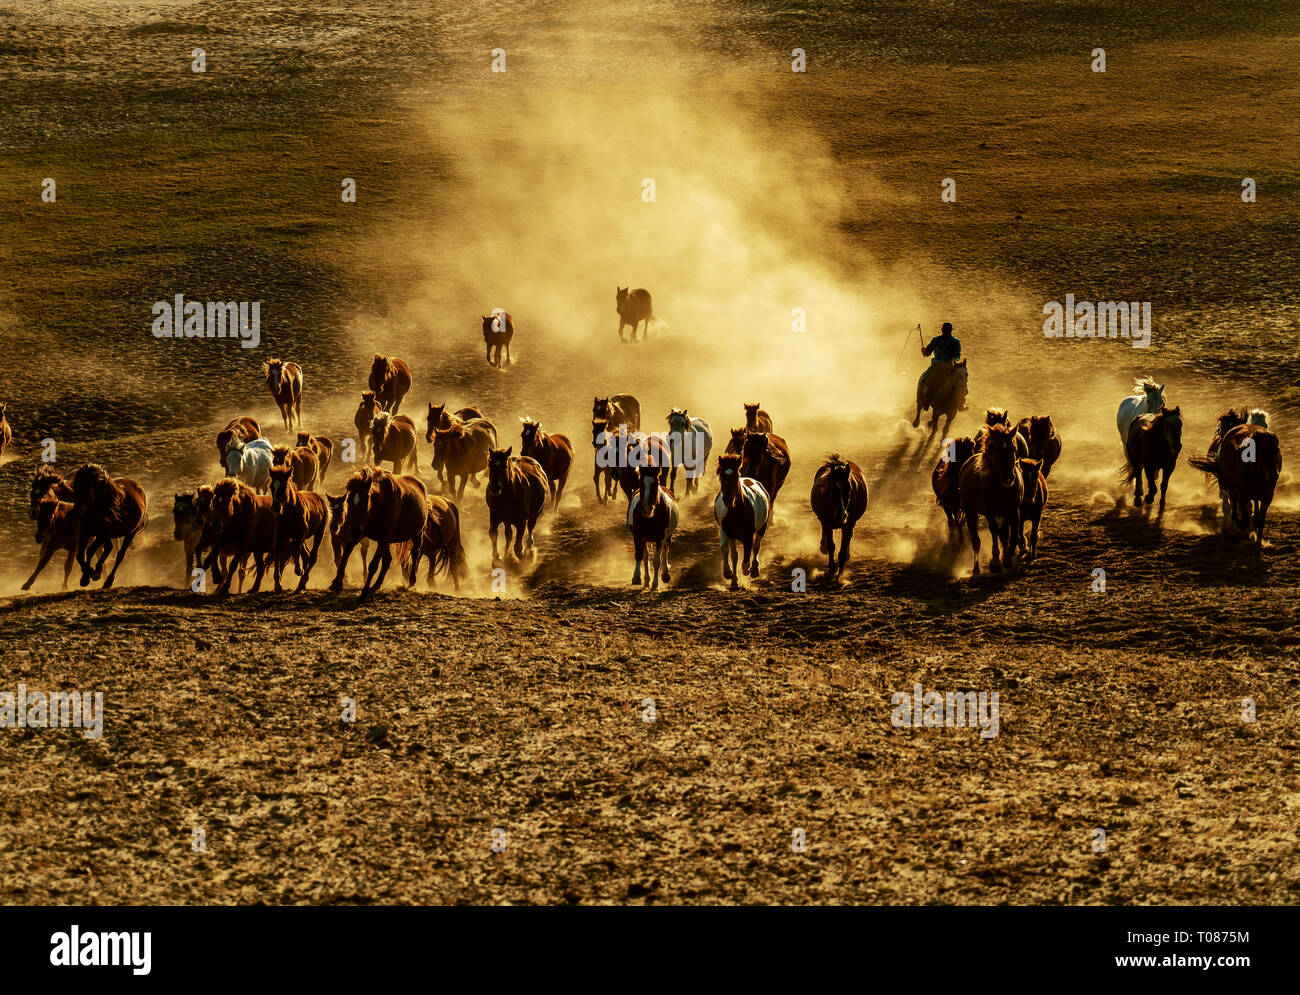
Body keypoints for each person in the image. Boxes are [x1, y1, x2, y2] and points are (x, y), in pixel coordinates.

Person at [913, 322, 965, 426]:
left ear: (950, 331)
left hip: (949, 368)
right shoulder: (936, 340)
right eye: (945, 331)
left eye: (947, 331)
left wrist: (951, 359)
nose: (946, 332)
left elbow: (957, 356)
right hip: (936, 367)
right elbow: (928, 352)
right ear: (943, 331)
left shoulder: (955, 342)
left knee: (961, 382)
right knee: (924, 379)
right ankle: (922, 403)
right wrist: (924, 350)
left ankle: (960, 402)